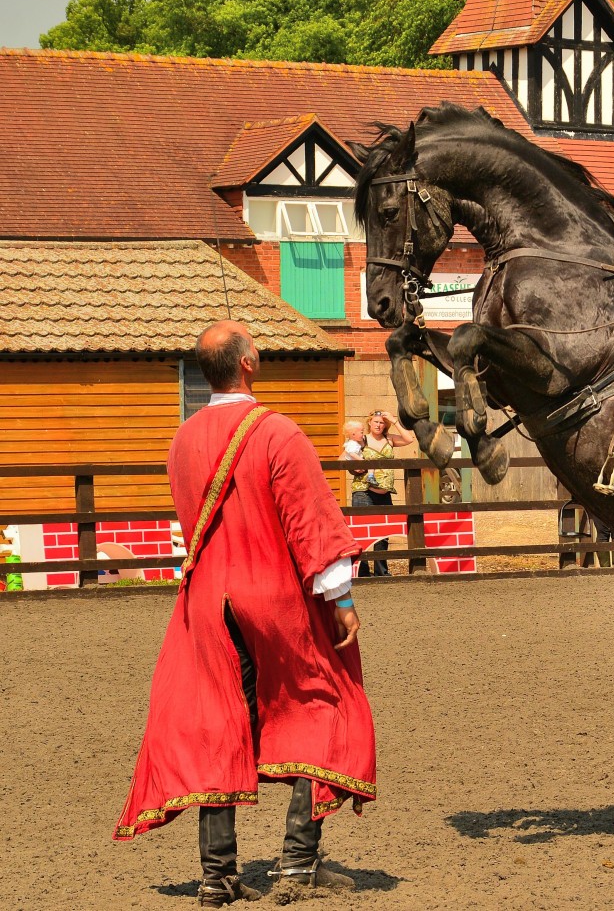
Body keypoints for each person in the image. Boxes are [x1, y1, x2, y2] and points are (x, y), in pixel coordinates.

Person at [114, 321, 376, 907]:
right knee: (322, 703)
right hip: (275, 597)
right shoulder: (278, 434)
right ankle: (297, 864)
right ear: (249, 363)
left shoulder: (182, 440)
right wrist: (342, 601)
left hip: (207, 602)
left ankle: (218, 876)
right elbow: (310, 521)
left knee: (215, 723)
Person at [352, 409, 415, 577]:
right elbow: (345, 456)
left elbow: (409, 439)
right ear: (369, 423)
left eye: (381, 423)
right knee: (362, 533)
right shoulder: (362, 440)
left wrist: (394, 421)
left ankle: (381, 571)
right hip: (364, 491)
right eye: (376, 422)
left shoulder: (389, 439)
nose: (379, 425)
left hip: (385, 492)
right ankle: (362, 572)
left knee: (384, 533)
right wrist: (356, 467)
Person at [343, 420, 376, 488]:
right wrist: (362, 460)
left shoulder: (353, 443)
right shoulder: (352, 444)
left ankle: (370, 476)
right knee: (371, 465)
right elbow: (352, 454)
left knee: (370, 466)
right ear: (353, 434)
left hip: (356, 462)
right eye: (361, 432)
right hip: (355, 462)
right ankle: (370, 477)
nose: (362, 434)